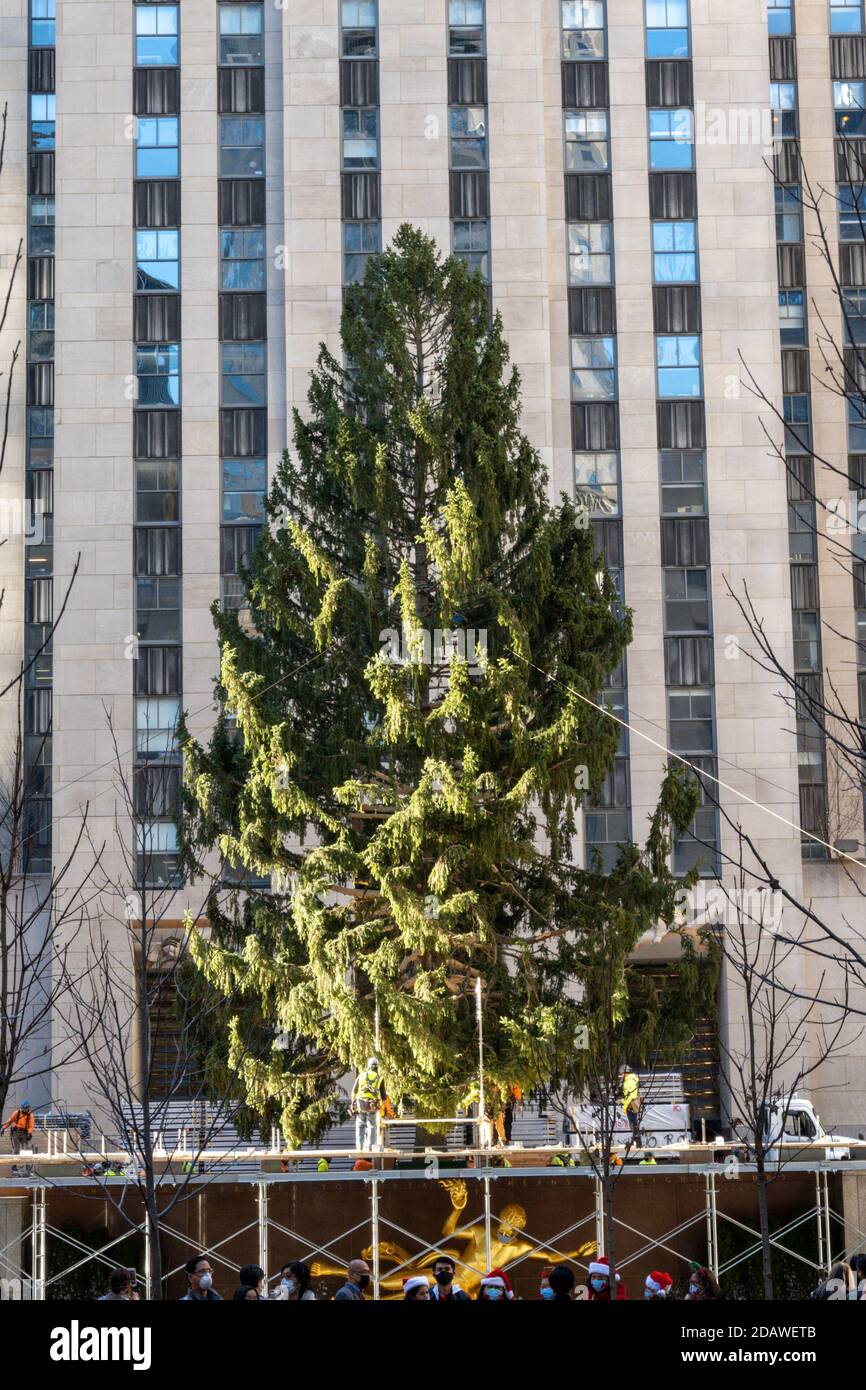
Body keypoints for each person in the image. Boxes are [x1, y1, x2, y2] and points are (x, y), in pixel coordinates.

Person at [351, 1058, 386, 1152]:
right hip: (372, 1105)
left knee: (360, 1124)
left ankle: (360, 1147)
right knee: (372, 1125)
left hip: (361, 1103)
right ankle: (371, 1147)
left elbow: (354, 1091)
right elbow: (383, 1096)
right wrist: (384, 1108)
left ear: (368, 1066)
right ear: (377, 1067)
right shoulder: (380, 1078)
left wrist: (352, 1103)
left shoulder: (361, 1075)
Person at [2, 1100, 35, 1170]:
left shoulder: (30, 1115)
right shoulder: (17, 1113)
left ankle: (27, 1164)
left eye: (26, 1109)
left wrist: (29, 1133)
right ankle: (14, 1165)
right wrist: (3, 1128)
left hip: (25, 1133)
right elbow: (10, 1121)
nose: (24, 1110)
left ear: (28, 1108)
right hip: (16, 1132)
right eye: (23, 1109)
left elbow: (31, 1126)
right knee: (16, 1149)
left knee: (26, 1148)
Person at [619, 1065, 642, 1147]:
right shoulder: (631, 1079)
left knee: (633, 1124)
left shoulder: (629, 1081)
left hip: (631, 1104)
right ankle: (636, 1142)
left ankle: (638, 1142)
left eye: (621, 1074)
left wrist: (624, 1104)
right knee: (633, 1123)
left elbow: (630, 1095)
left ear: (625, 1073)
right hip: (633, 1103)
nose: (621, 1075)